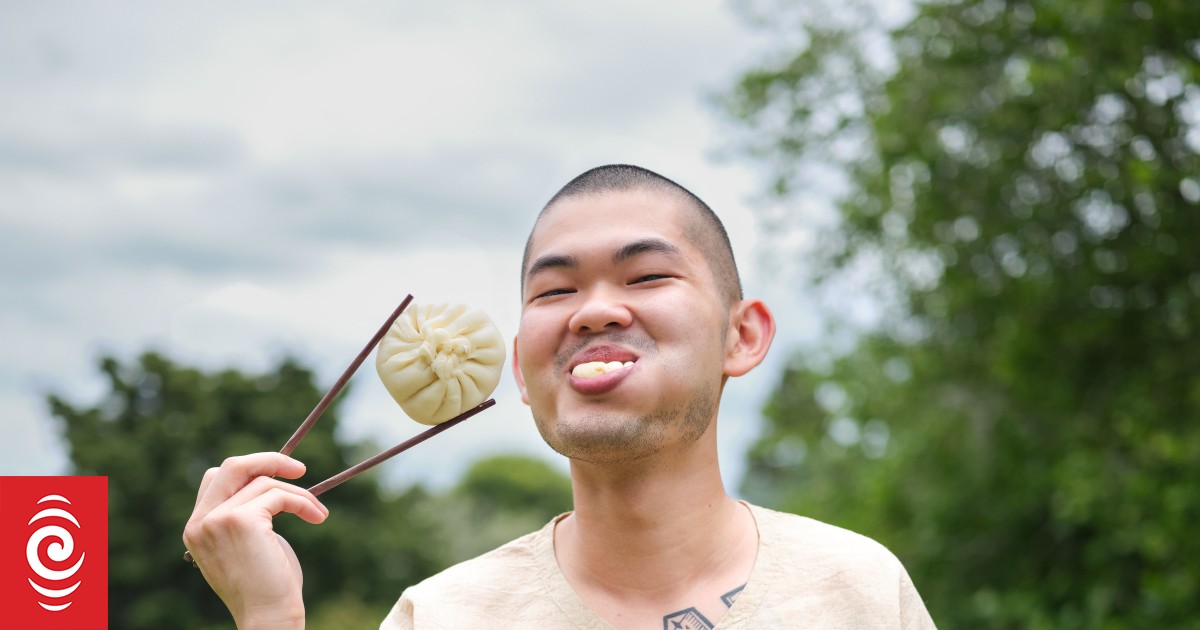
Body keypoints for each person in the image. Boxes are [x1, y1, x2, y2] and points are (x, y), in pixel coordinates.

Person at [184, 164, 936, 629]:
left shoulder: (858, 590)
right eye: (555, 290)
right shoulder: (441, 618)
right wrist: (268, 615)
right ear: (520, 367)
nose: (593, 311)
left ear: (743, 336)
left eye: (646, 277)